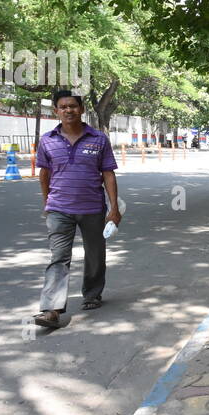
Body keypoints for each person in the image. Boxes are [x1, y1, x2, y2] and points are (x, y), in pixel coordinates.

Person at [32, 90, 121, 328]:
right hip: (59, 209)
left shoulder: (98, 139)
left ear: (81, 109)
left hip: (92, 207)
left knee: (95, 254)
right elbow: (44, 174)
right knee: (58, 257)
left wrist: (113, 209)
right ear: (56, 111)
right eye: (63, 107)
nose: (68, 110)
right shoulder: (47, 140)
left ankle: (92, 294)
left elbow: (108, 174)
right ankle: (51, 310)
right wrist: (47, 203)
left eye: (72, 106)